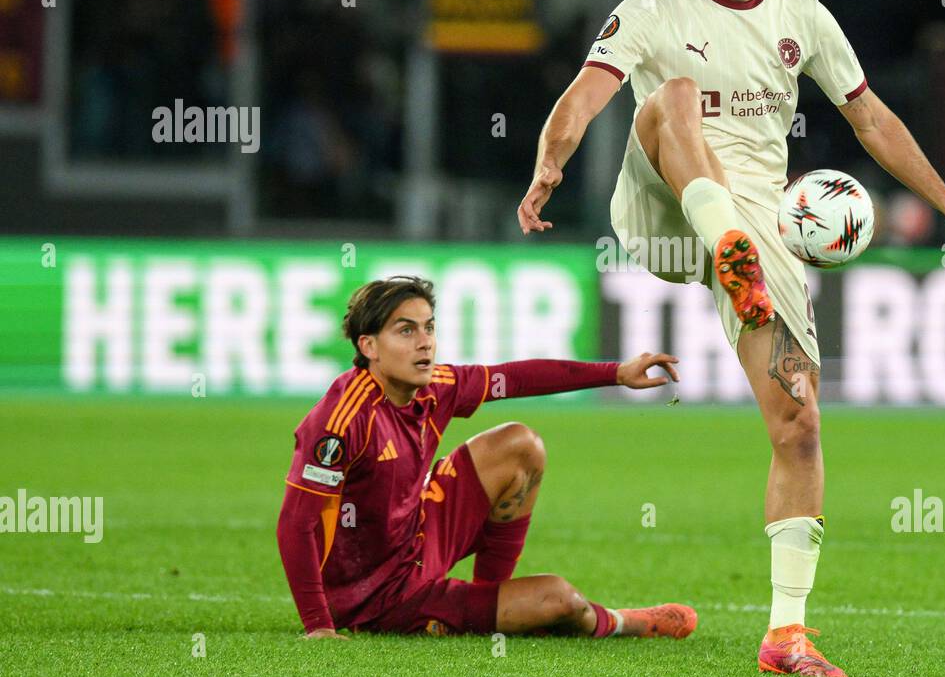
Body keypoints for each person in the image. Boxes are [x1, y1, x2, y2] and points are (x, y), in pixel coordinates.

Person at [517, 0, 945, 677]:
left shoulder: (803, 15)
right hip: (663, 209)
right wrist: (547, 165)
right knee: (670, 97)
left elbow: (872, 118)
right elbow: (584, 93)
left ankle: (786, 633)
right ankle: (723, 238)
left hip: (755, 222)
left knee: (800, 421)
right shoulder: (655, 5)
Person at [276, 275, 696, 642]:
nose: (425, 342)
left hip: (419, 535)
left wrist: (615, 373)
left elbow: (512, 377)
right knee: (561, 600)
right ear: (368, 346)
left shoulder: (434, 386)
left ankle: (491, 598)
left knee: (521, 445)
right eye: (406, 331)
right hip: (379, 595)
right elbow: (296, 524)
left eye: (429, 328)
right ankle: (622, 622)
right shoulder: (341, 420)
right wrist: (319, 625)